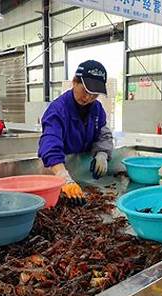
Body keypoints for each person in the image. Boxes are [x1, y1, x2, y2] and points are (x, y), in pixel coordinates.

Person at [38, 60, 114, 204]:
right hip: (60, 170)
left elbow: (103, 134)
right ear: (74, 82)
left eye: (94, 94)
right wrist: (63, 176)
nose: (89, 98)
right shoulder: (57, 110)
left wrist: (102, 153)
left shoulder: (97, 109)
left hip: (83, 174)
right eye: (86, 91)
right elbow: (49, 143)